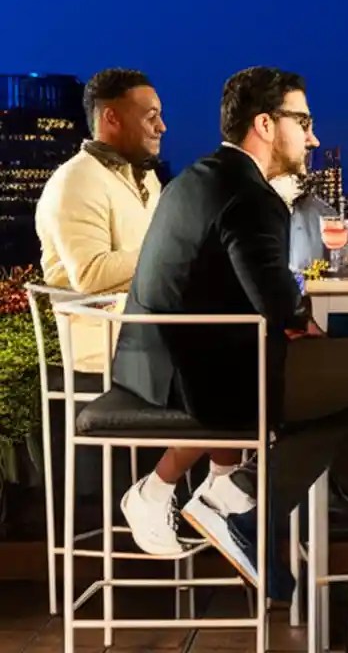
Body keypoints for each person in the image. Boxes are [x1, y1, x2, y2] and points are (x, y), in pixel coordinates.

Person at [111, 66, 348, 597]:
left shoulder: (198, 177)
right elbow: (275, 302)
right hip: (216, 378)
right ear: (266, 124)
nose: (313, 137)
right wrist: (302, 324)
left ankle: (246, 504)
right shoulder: (252, 195)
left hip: (163, 366)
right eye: (305, 122)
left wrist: (299, 324)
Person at [35, 68, 252, 555]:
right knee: (240, 359)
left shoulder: (145, 181)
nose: (163, 126)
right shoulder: (75, 182)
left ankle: (218, 482)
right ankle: (178, 487)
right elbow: (90, 273)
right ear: (111, 118)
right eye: (151, 116)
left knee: (247, 345)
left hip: (147, 326)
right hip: (104, 340)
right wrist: (176, 250)